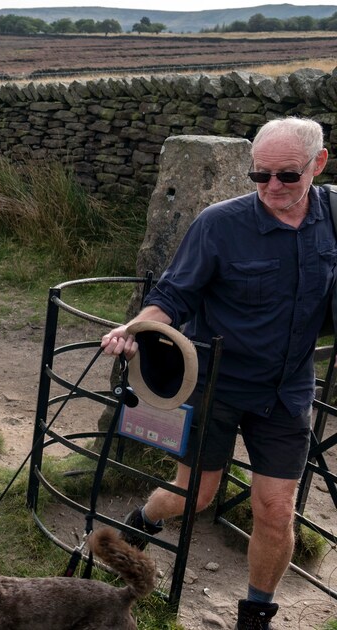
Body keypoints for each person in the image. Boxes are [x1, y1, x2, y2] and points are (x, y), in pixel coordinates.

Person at [101, 116, 334, 630]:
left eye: (287, 175)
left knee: (276, 509)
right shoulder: (219, 223)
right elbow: (173, 296)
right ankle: (143, 519)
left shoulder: (335, 218)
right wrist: (133, 330)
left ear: (318, 164)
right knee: (196, 494)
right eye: (260, 175)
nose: (272, 186)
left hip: (287, 389)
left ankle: (255, 616)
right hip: (216, 385)